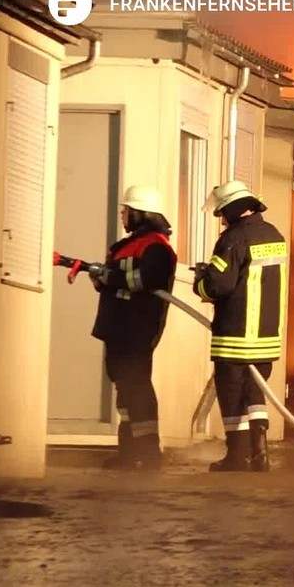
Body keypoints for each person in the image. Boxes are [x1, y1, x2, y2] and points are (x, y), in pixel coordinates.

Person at [193, 180, 288, 473]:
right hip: (266, 337)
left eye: (223, 213)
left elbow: (218, 286)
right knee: (255, 394)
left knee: (232, 395)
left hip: (235, 335)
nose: (222, 219)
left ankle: (238, 456)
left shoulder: (233, 239)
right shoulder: (274, 234)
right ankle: (260, 455)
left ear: (234, 210)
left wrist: (201, 281)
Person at [89, 185, 177, 471]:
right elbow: (118, 279)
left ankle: (148, 453)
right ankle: (128, 452)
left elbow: (146, 280)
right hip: (118, 328)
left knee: (137, 389)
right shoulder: (127, 246)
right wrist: (101, 279)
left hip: (137, 329)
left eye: (126, 211)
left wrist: (110, 277)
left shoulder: (156, 246)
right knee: (125, 389)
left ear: (140, 213)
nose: (122, 216)